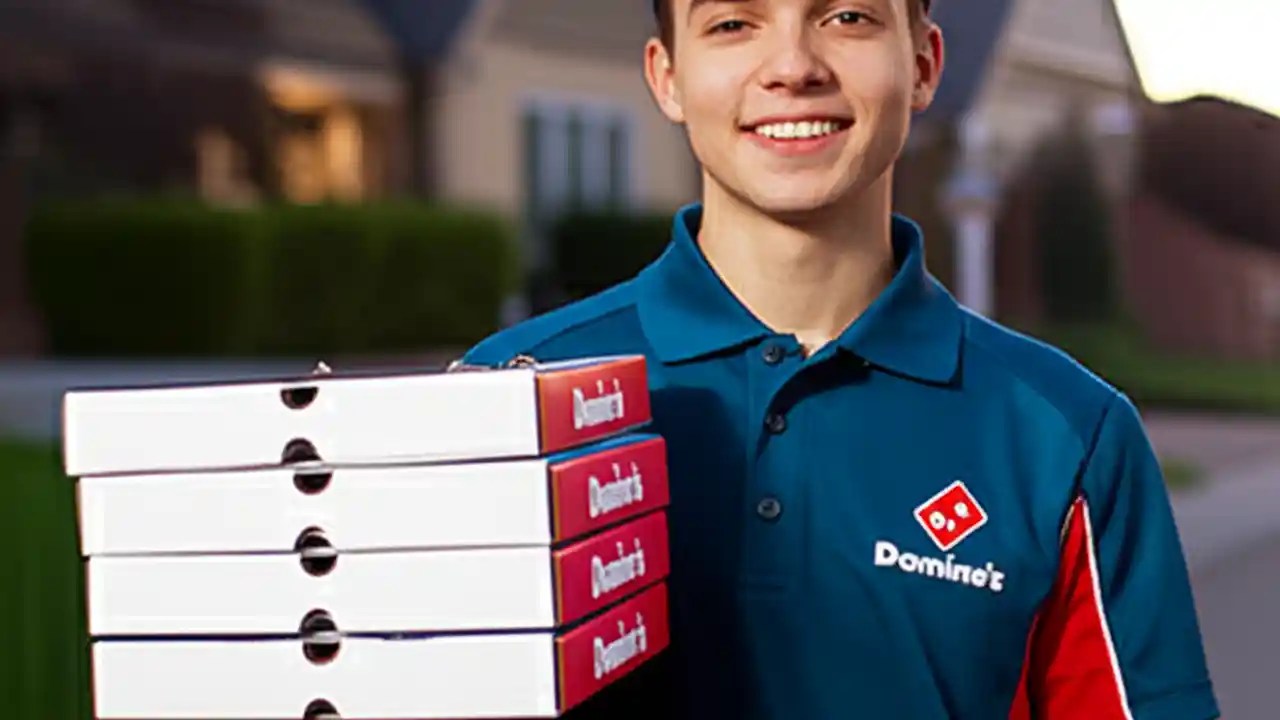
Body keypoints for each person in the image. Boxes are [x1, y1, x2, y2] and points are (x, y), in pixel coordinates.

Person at [461, 0, 1220, 718]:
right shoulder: (502, 403)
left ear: (923, 65)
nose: (792, 66)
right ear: (668, 77)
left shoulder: (1068, 437)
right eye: (733, 23)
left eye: (847, 16)